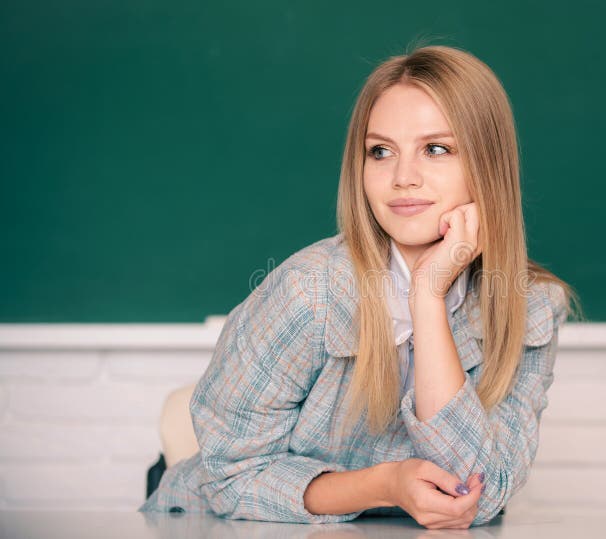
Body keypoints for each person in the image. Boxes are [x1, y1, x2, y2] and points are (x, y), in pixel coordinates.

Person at [139, 43, 579, 530]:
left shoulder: (533, 308)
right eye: (381, 151)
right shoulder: (308, 292)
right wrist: (385, 483)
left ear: (487, 165)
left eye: (436, 149)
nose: (402, 177)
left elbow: (476, 490)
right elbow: (231, 477)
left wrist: (427, 299)